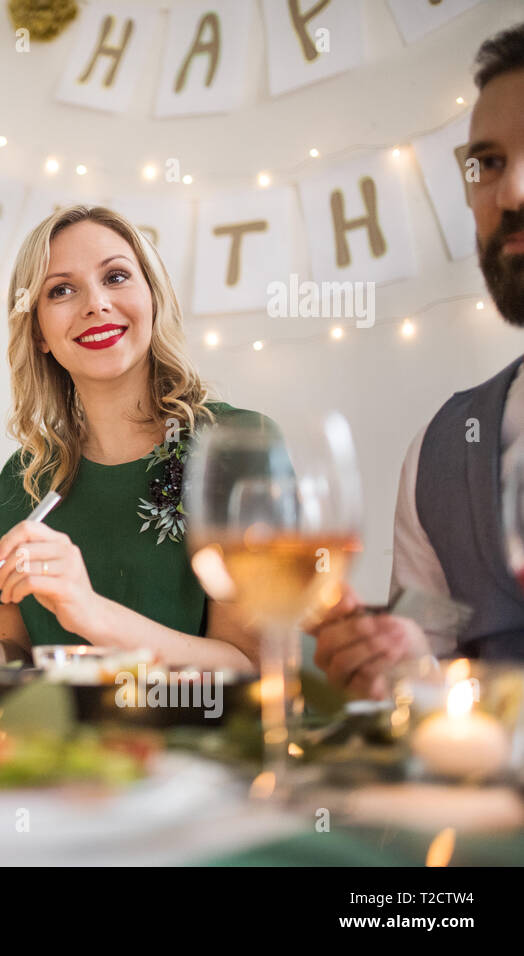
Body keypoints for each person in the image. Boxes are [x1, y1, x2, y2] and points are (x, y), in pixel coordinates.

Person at [0, 206, 263, 671]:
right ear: (40, 332)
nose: (95, 303)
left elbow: (251, 666)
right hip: (61, 745)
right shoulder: (22, 482)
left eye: (117, 277)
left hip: (199, 744)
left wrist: (89, 611)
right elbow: (21, 663)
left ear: (153, 296)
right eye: (61, 290)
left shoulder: (239, 445)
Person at [312, 22, 524, 697]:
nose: (511, 193)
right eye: (488, 162)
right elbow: (442, 627)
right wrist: (396, 658)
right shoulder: (441, 448)